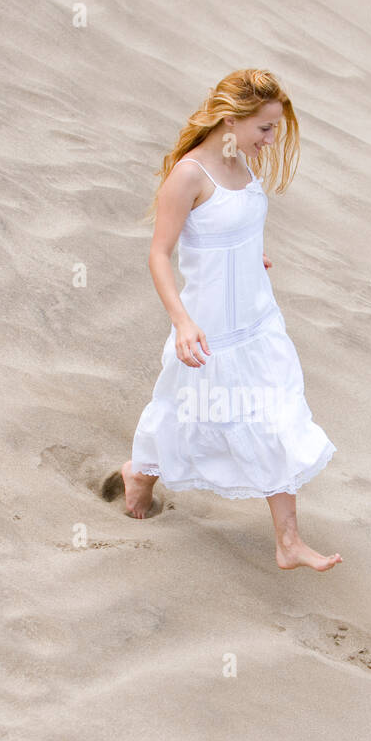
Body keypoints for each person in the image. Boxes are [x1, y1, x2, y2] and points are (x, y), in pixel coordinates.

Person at [121, 68, 341, 571]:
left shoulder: (243, 164)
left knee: (274, 417)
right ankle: (140, 472)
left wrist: (248, 256)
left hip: (259, 322)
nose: (270, 140)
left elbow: (237, 225)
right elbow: (159, 254)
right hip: (209, 328)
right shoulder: (190, 175)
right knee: (187, 410)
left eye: (274, 130)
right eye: (264, 129)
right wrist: (181, 322)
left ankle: (288, 543)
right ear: (231, 119)